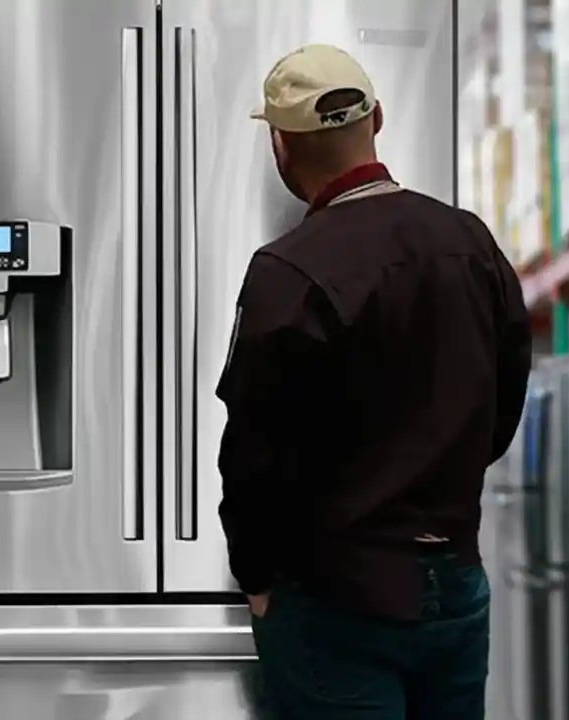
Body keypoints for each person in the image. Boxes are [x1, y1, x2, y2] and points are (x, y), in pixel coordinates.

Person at [216, 44, 532, 719]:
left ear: (282, 147)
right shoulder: (470, 243)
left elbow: (253, 450)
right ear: (378, 119)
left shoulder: (287, 271)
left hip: (336, 596)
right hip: (454, 583)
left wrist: (256, 576)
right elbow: (505, 402)